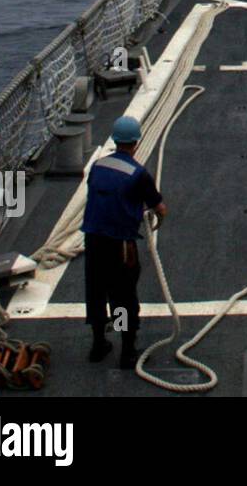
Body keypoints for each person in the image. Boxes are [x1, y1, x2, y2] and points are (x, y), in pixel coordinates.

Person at [83, 115, 168, 368]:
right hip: (120, 246)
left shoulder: (97, 166)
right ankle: (126, 351)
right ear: (136, 143)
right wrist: (157, 221)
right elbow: (160, 208)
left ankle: (98, 345)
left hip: (93, 242)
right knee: (122, 297)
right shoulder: (138, 174)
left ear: (115, 140)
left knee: (97, 293)